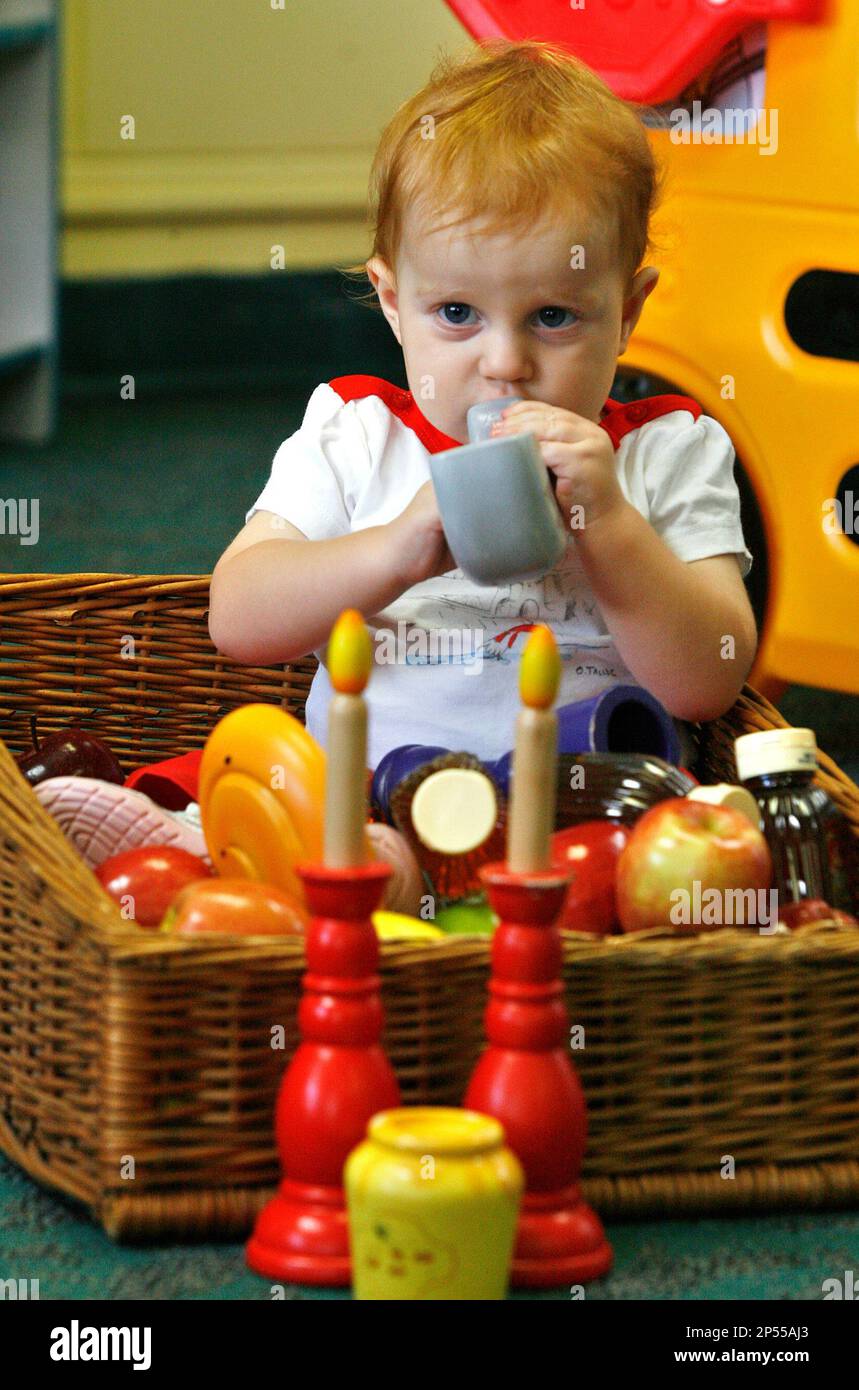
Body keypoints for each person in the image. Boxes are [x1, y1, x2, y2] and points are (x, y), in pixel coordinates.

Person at [209, 39, 757, 769]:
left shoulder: (668, 449)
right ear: (393, 303)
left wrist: (611, 526)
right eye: (457, 313)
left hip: (586, 812)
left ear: (626, 313)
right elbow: (237, 619)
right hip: (369, 811)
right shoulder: (357, 433)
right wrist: (392, 551)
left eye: (553, 316)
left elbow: (709, 682)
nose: (504, 363)